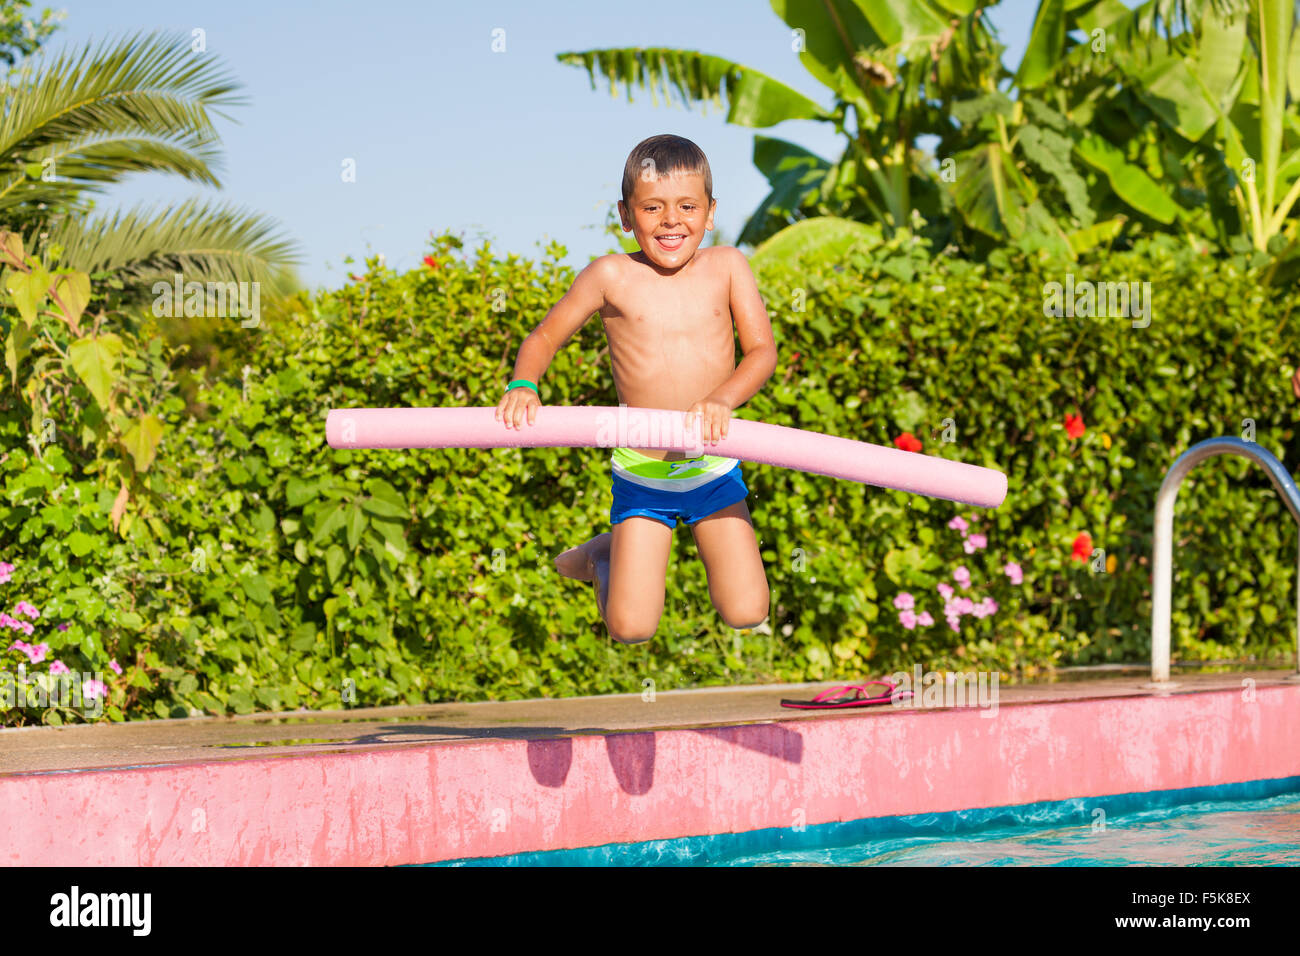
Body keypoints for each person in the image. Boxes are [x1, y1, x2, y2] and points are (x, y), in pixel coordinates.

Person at [494, 134, 778, 644]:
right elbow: (544, 336)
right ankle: (606, 556)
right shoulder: (610, 275)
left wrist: (723, 398)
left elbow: (762, 352)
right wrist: (523, 384)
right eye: (653, 208)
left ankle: (614, 552)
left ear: (710, 212)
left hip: (711, 466)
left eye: (688, 206)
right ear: (626, 215)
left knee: (747, 610)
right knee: (630, 627)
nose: (672, 221)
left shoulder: (728, 266)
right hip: (643, 476)